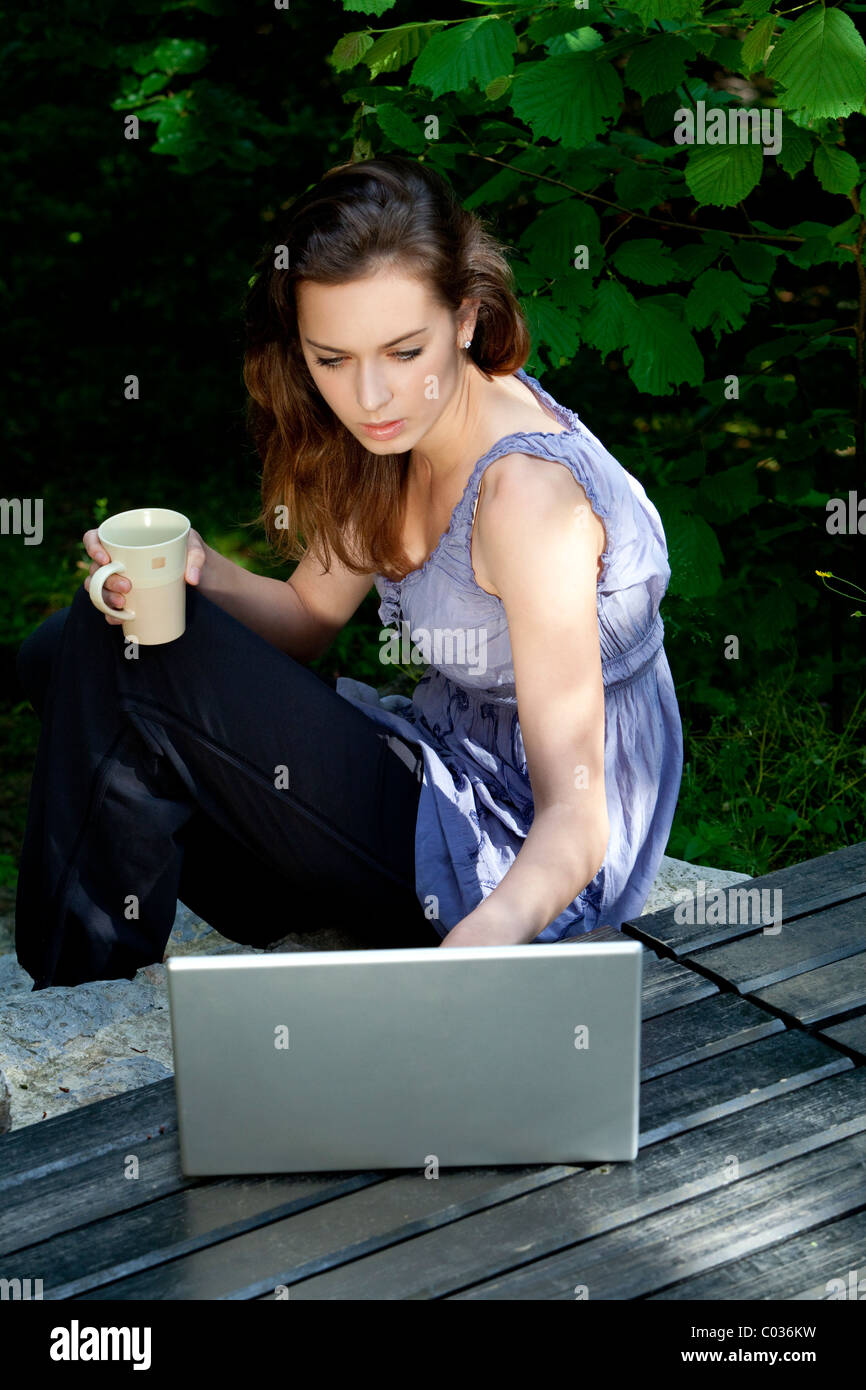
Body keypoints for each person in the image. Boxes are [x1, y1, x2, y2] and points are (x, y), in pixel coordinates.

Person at [14, 153, 683, 991]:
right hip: (439, 772)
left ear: (467, 319)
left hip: (511, 854)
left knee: (131, 663)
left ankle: (77, 988)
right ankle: (241, 911)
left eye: (404, 350)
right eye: (332, 359)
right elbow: (305, 618)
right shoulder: (392, 438)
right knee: (62, 651)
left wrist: (475, 953)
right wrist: (199, 568)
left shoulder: (528, 503)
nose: (370, 395)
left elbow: (577, 821)